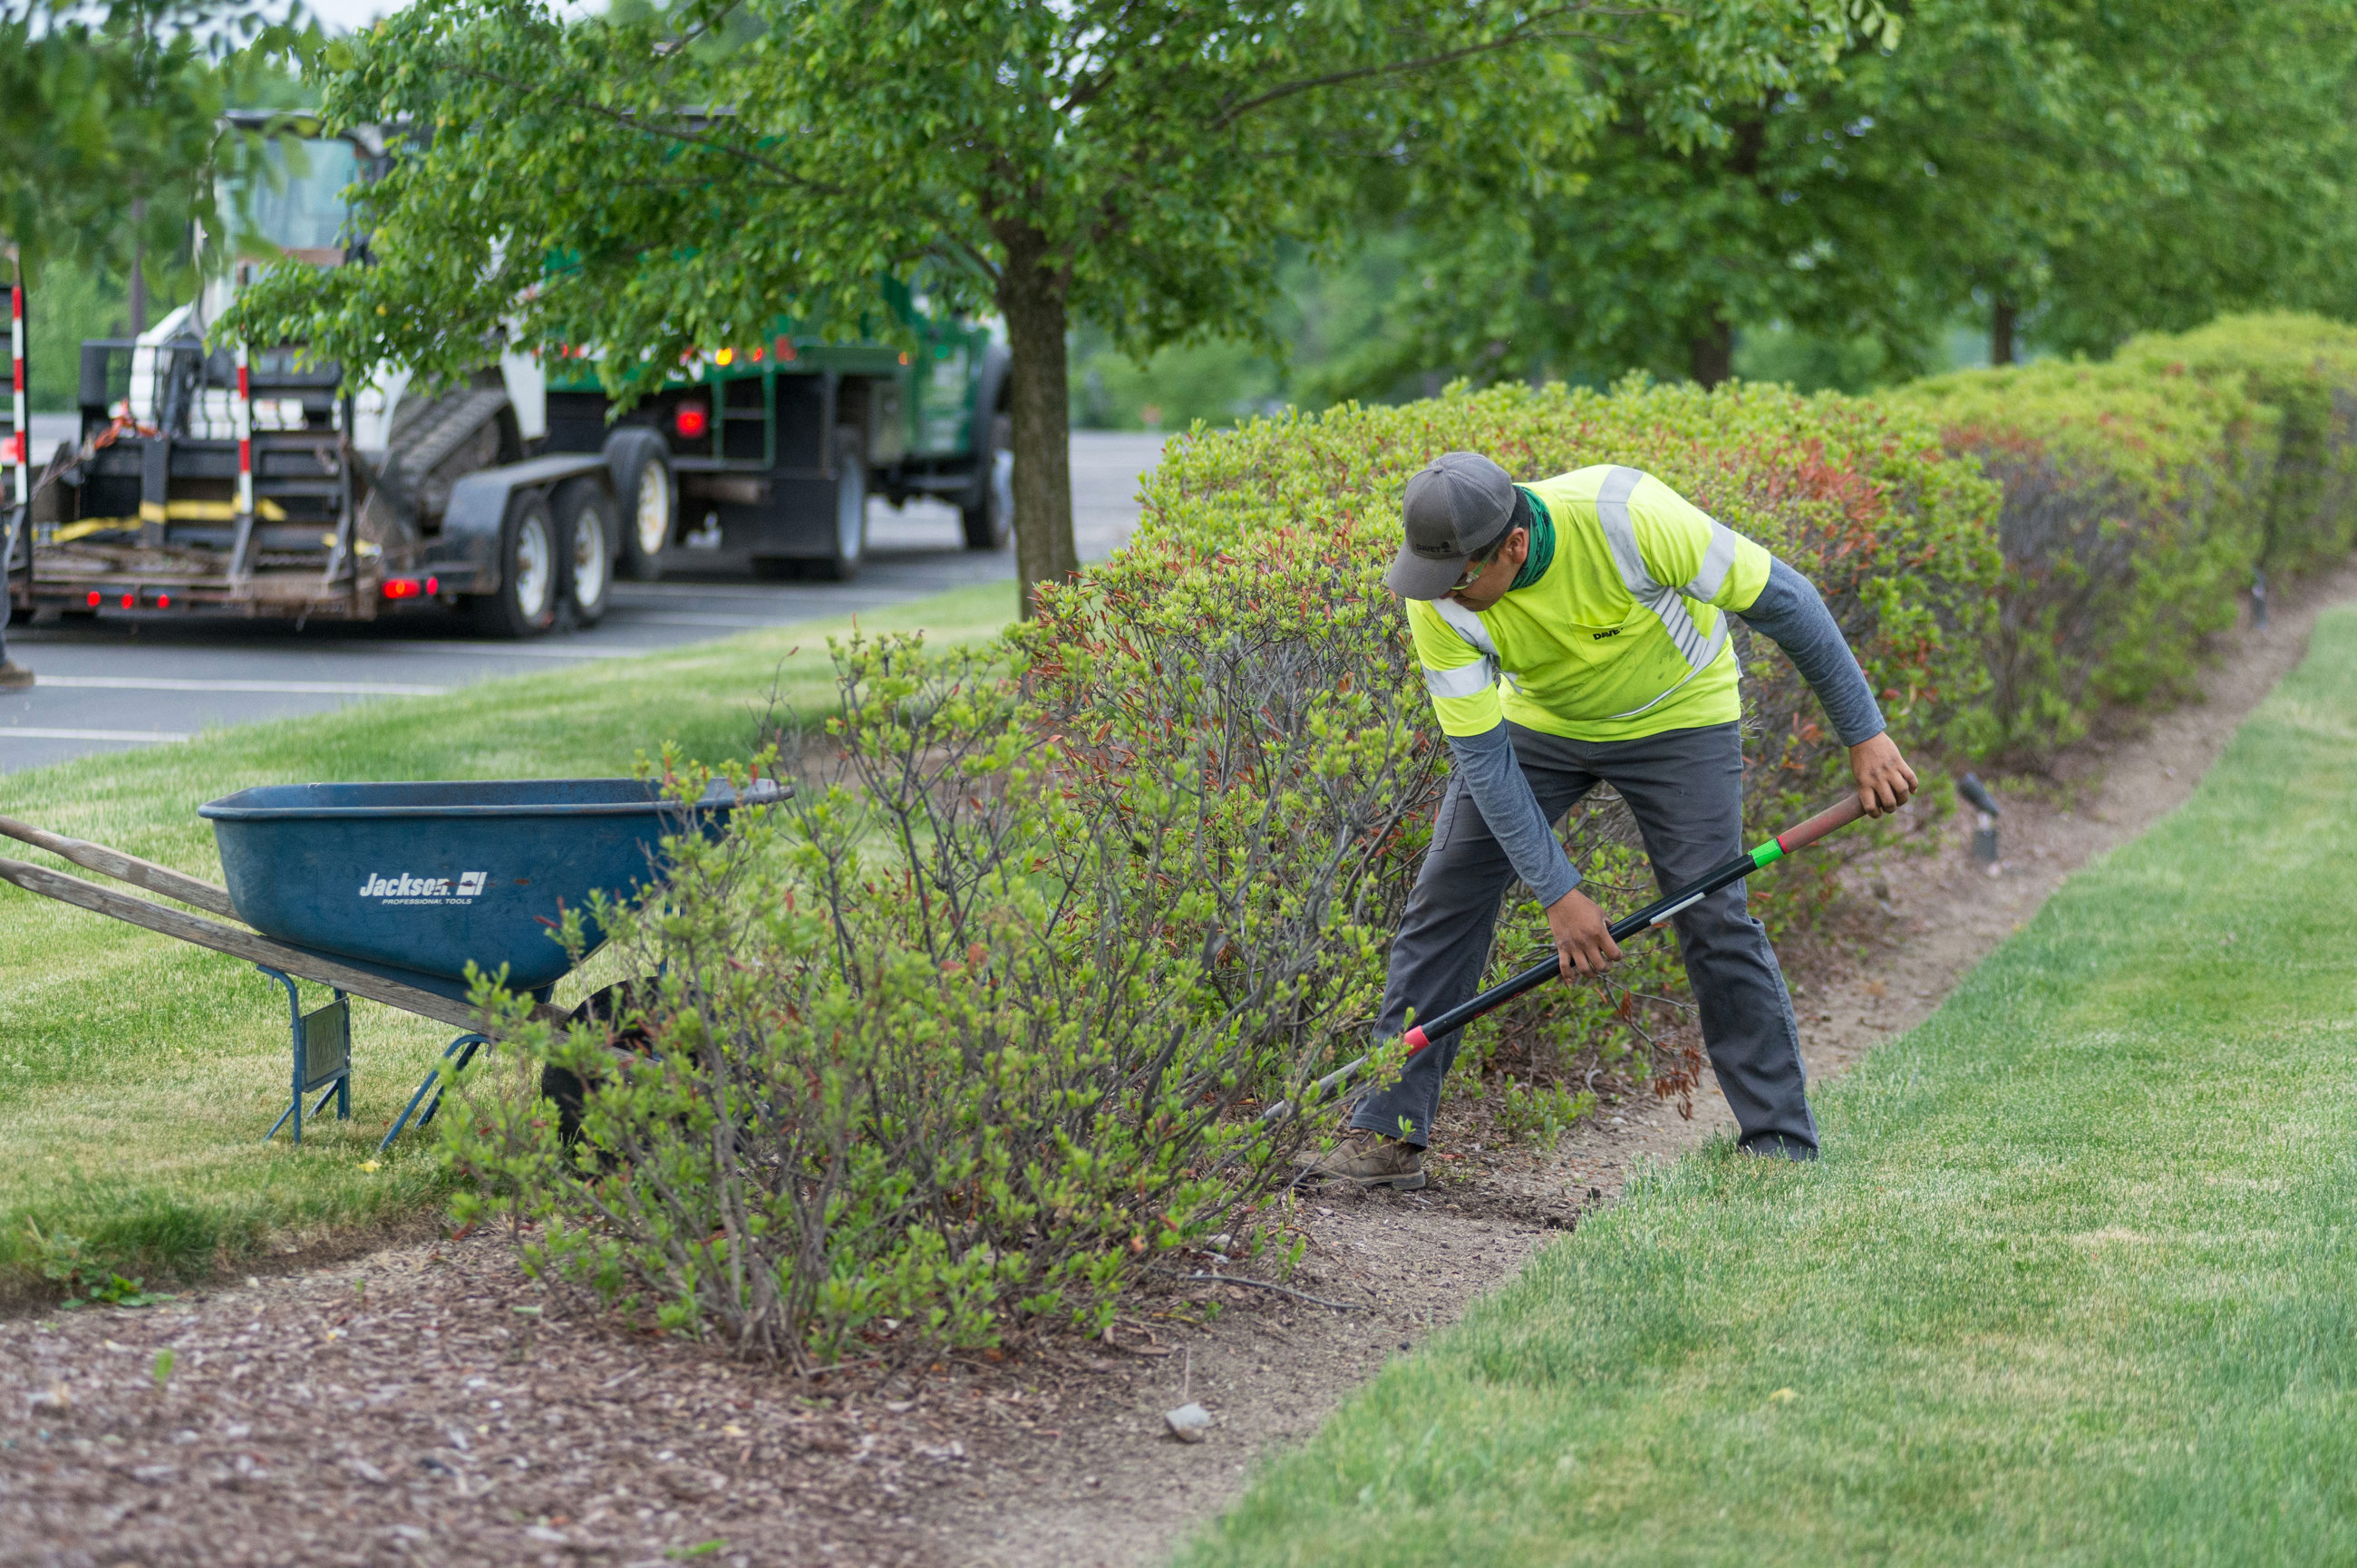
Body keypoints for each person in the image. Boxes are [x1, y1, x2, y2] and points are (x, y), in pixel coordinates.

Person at [1305, 452, 1916, 1188]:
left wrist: (1865, 734)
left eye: (1460, 580)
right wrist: (1558, 892)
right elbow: (1484, 761)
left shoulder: (1627, 517)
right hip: (1541, 726)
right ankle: (1388, 1132)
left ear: (1514, 545)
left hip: (1680, 717)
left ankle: (1779, 1144)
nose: (1446, 596)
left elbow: (1788, 600)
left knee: (1711, 913)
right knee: (1448, 891)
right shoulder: (1436, 590)